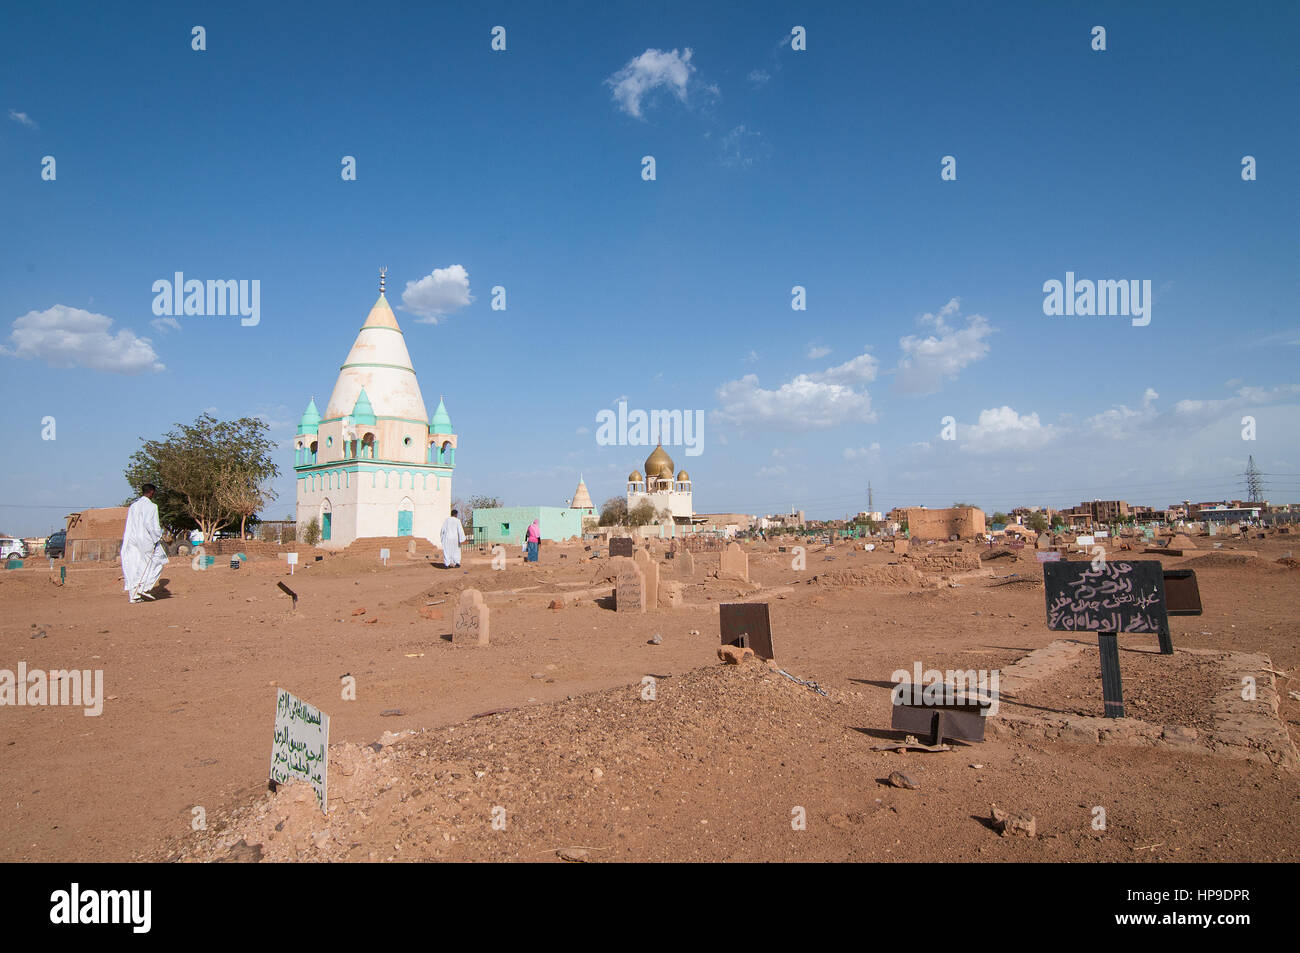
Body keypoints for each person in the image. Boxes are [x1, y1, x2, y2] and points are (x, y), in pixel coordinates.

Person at [122, 483, 169, 603]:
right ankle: (144, 587)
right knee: (157, 562)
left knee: (135, 565)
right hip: (146, 539)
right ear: (152, 492)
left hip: (132, 539)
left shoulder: (134, 506)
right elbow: (150, 524)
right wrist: (157, 538)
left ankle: (133, 596)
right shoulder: (152, 506)